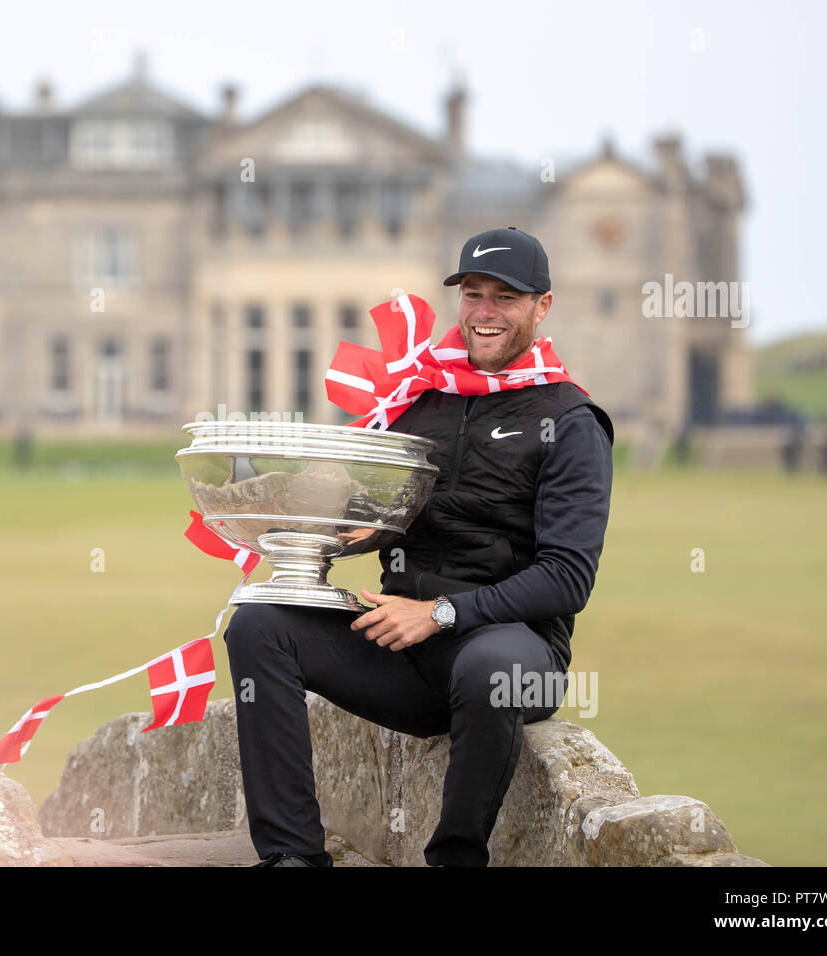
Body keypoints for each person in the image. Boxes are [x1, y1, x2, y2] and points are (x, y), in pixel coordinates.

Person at [224, 226, 614, 867]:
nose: (485, 313)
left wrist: (440, 614)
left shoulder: (571, 421)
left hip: (511, 651)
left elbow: (568, 578)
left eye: (505, 298)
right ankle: (293, 856)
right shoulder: (418, 401)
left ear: (542, 307)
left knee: (489, 671)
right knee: (260, 626)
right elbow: (372, 516)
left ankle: (454, 859)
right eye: (473, 295)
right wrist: (280, 517)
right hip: (401, 647)